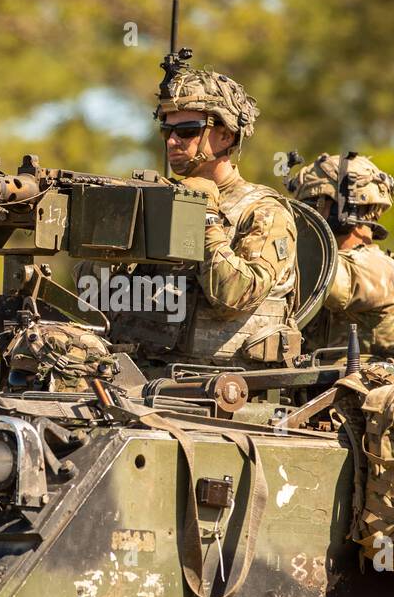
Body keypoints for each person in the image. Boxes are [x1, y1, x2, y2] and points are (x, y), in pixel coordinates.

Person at [77, 62, 301, 369]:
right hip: (136, 373)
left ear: (225, 136)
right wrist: (107, 245)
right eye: (166, 130)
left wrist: (204, 215)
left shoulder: (263, 211)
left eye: (187, 131)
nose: (172, 141)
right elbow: (97, 295)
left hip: (220, 386)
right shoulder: (159, 199)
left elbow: (234, 296)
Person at [287, 152, 394, 360]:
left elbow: (327, 279)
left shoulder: (377, 267)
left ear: (345, 208)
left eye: (313, 204)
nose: (304, 218)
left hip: (364, 389)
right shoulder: (331, 263)